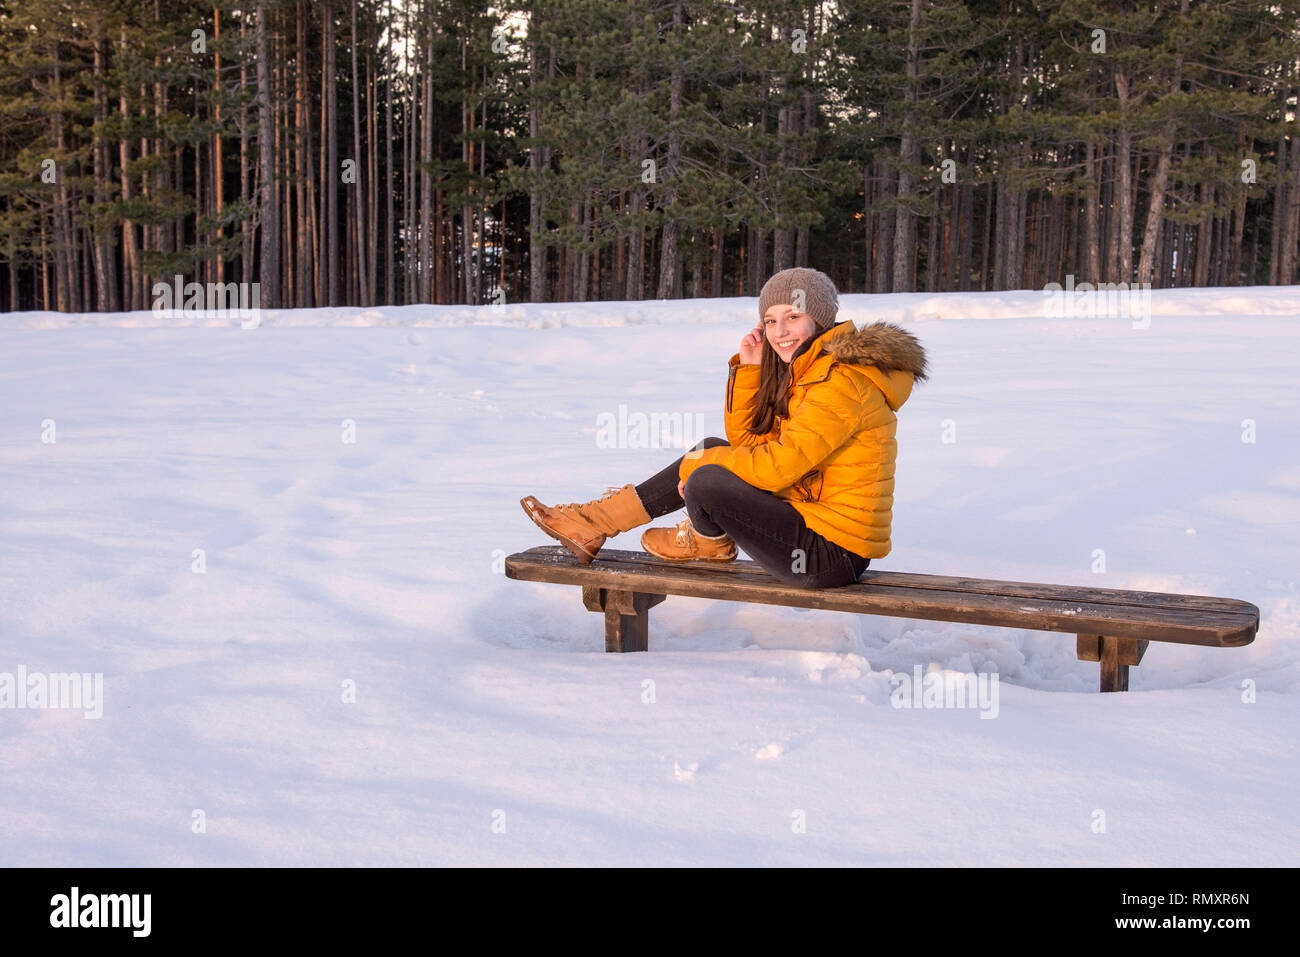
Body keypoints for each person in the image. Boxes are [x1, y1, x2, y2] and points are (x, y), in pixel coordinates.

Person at [520, 267, 929, 589]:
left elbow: (774, 469)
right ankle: (596, 525)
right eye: (770, 321)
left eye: (793, 316)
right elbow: (748, 444)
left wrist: (700, 469)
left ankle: (695, 539)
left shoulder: (840, 383)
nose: (780, 331)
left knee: (708, 477)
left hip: (829, 555)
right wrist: (750, 372)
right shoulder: (809, 372)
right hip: (808, 526)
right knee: (711, 452)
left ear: (820, 319)